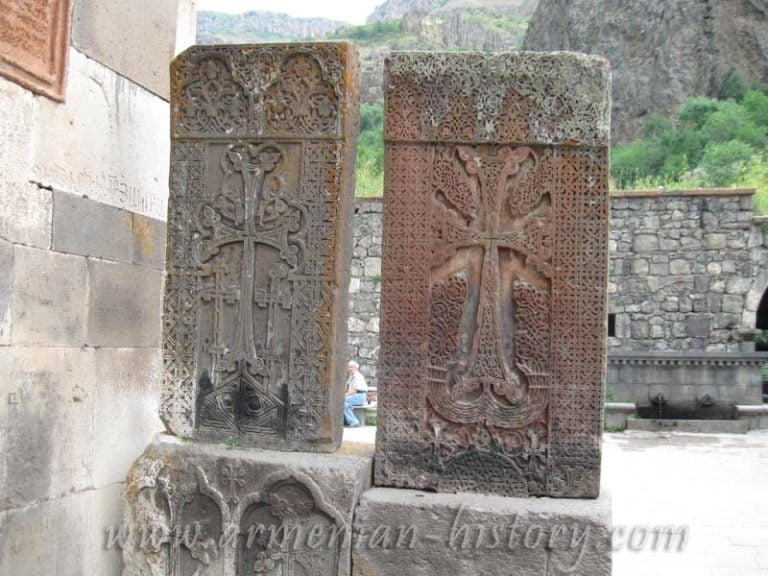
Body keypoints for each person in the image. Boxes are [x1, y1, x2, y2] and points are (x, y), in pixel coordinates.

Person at [344, 360, 368, 427]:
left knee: (341, 401)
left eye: (351, 367)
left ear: (356, 368)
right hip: (355, 396)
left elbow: (354, 391)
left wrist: (343, 396)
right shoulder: (351, 376)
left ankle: (353, 421)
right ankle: (353, 422)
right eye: (348, 367)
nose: (349, 369)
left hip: (359, 396)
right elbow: (346, 387)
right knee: (344, 404)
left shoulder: (357, 376)